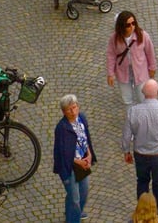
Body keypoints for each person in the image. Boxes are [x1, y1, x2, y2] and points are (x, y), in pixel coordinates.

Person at [122, 80, 158, 218]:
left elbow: (126, 135)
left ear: (143, 93)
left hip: (140, 154)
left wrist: (126, 151)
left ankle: (142, 212)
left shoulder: (133, 111)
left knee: (142, 181)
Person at [53, 94, 95, 223]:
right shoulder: (62, 128)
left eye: (74, 107)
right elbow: (62, 153)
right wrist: (79, 162)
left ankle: (73, 213)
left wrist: (89, 155)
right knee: (74, 197)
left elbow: (85, 138)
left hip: (83, 160)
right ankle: (73, 219)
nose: (73, 111)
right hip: (69, 166)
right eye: (69, 109)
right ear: (63, 112)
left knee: (83, 193)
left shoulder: (81, 118)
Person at [106, 11, 158, 108]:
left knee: (142, 98)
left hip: (140, 71)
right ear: (121, 26)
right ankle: (131, 119)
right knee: (127, 99)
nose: (132, 26)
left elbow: (150, 52)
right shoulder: (114, 38)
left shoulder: (142, 35)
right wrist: (110, 73)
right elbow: (111, 55)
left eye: (133, 23)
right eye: (128, 25)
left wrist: (152, 68)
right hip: (123, 72)